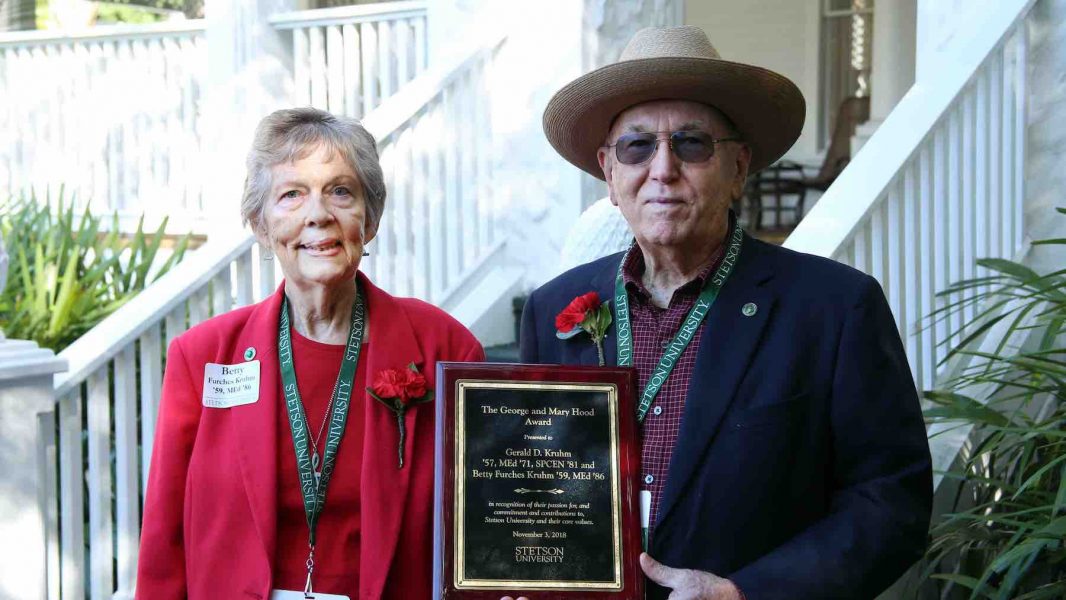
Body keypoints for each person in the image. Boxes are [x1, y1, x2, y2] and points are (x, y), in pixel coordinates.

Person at [516, 26, 932, 600]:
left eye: (691, 143)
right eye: (637, 146)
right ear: (610, 175)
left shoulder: (834, 308)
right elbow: (531, 485)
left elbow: (891, 502)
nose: (662, 169)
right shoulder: (551, 311)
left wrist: (745, 593)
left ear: (737, 169)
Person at [136, 107, 484, 599]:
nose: (318, 213)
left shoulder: (444, 348)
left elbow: (487, 523)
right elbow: (163, 544)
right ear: (261, 224)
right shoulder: (204, 357)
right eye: (292, 194)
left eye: (340, 191)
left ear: (370, 219)